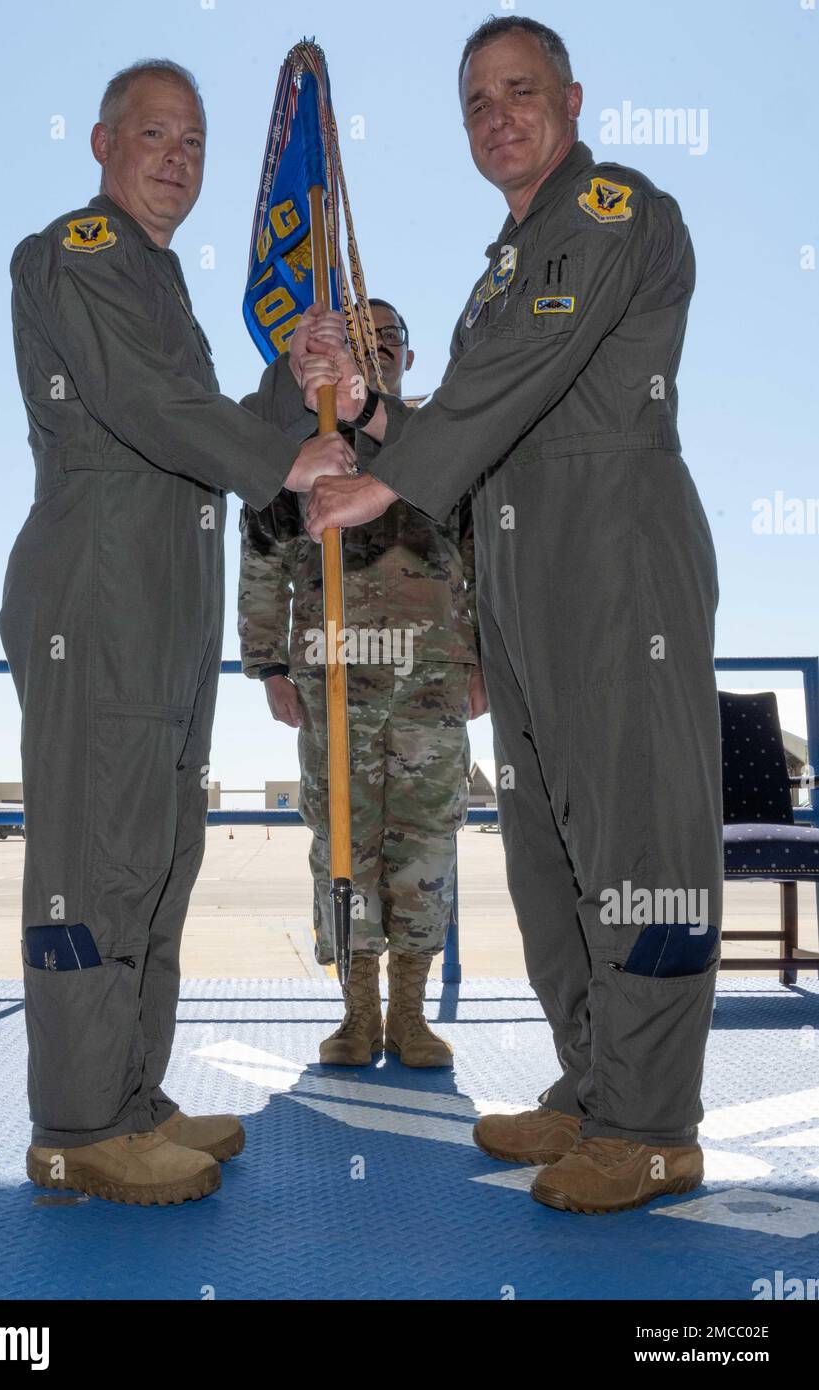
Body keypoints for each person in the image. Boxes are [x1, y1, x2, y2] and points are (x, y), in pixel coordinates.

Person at [298, 16, 722, 1215]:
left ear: (573, 98)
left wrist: (387, 475)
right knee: (550, 856)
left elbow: (518, 377)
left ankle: (650, 1128)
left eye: (518, 91)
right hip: (523, 581)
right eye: (475, 101)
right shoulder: (501, 267)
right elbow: (472, 425)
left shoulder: (608, 213)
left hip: (618, 560)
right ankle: (594, 1085)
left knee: (638, 848)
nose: (497, 115)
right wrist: (370, 413)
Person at [0, 59, 353, 1206]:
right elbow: (148, 409)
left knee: (154, 858)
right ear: (102, 143)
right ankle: (79, 1123)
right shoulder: (81, 253)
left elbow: (192, 422)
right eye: (155, 134)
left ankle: (130, 1093)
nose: (177, 157)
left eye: (195, 142)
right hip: (98, 597)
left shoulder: (158, 285)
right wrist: (279, 455)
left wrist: (286, 388)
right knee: (96, 858)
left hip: (159, 601)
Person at [238, 299, 487, 1068]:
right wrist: (270, 665)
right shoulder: (304, 451)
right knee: (339, 844)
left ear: (407, 358)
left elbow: (484, 558)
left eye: (387, 340)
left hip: (431, 681)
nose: (375, 350)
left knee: (423, 846)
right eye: (358, 341)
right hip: (332, 682)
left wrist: (485, 660)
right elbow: (263, 559)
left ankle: (409, 1016)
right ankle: (355, 1013)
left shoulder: (445, 441)